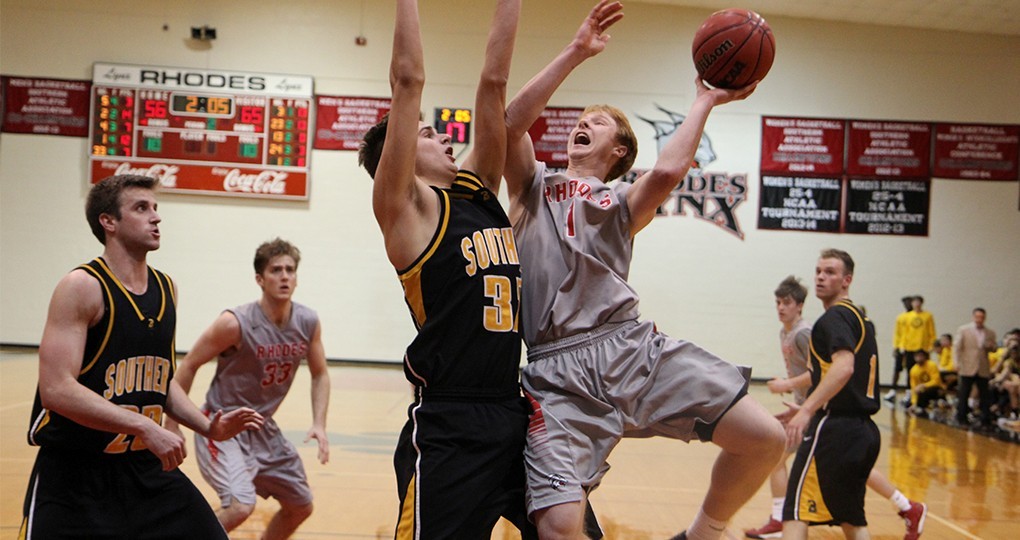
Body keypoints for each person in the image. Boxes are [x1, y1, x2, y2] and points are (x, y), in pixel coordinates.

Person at [501, 3, 786, 538]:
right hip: (556, 373)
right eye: (581, 120)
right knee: (558, 527)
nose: (583, 123)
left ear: (620, 149)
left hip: (629, 349)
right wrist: (576, 52)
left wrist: (705, 100)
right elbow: (510, 121)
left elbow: (671, 169)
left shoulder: (623, 202)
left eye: (598, 121)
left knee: (766, 437)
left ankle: (701, 534)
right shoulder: (532, 186)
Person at [357, 1, 553, 538]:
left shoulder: (479, 192)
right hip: (449, 425)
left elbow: (494, 81)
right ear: (397, 156)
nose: (443, 136)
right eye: (426, 134)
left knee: (571, 531)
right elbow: (408, 79)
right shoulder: (404, 210)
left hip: (512, 410)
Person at [20, 174, 264, 539]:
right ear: (109, 222)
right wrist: (145, 426)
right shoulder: (82, 287)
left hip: (144, 470)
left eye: (155, 207)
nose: (156, 217)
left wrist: (207, 427)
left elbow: (159, 381)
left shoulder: (166, 289)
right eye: (141, 208)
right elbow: (56, 389)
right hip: (76, 475)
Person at [166, 238, 330, 539]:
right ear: (260, 279)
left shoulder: (307, 321)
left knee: (300, 506)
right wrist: (172, 425)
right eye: (276, 270)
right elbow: (188, 365)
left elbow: (320, 374)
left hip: (262, 427)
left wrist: (319, 423)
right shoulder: (234, 323)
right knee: (240, 506)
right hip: (222, 424)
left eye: (290, 270)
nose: (284, 276)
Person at [748, 277, 926, 540]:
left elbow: (824, 372)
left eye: (786, 302)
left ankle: (779, 518)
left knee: (787, 467)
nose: (781, 308)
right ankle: (905, 505)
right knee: (849, 487)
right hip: (816, 410)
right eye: (778, 303)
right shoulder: (786, 332)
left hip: (822, 412)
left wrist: (799, 398)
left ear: (800, 305)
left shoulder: (806, 333)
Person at [779, 249, 881, 540]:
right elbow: (840, 375)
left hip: (834, 429)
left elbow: (844, 367)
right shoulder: (860, 318)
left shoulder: (834, 318)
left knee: (795, 512)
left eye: (830, 272)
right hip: (863, 432)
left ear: (847, 280)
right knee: (852, 519)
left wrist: (807, 409)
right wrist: (811, 402)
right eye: (818, 271)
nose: (821, 277)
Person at [887, 296, 936, 406]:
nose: (916, 304)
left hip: (922, 347)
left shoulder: (928, 316)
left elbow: (932, 332)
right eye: (915, 302)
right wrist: (900, 346)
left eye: (918, 302)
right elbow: (902, 333)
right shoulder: (906, 317)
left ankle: (922, 393)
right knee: (909, 370)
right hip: (909, 347)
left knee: (923, 370)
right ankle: (907, 392)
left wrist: (931, 346)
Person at [953, 308, 997, 428]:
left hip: (982, 366)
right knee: (964, 392)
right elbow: (957, 348)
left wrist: (991, 346)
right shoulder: (963, 330)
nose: (979, 320)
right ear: (973, 317)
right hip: (967, 365)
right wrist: (956, 362)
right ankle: (961, 417)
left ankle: (985, 419)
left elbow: (994, 348)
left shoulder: (990, 332)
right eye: (977, 317)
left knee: (984, 394)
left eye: (982, 317)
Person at [886, 295, 915, 402]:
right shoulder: (901, 317)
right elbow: (897, 333)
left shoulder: (917, 316)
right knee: (897, 369)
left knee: (910, 370)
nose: (907, 304)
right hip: (901, 346)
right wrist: (896, 346)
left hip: (911, 348)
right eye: (905, 303)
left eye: (909, 302)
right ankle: (893, 390)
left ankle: (909, 391)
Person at [907, 350, 944, 417]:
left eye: (921, 356)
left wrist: (923, 385)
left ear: (925, 357)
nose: (919, 358)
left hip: (935, 388)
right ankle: (920, 408)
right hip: (921, 391)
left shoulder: (931, 365)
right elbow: (913, 388)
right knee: (909, 403)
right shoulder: (913, 370)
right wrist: (914, 402)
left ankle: (922, 408)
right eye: (917, 356)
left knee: (924, 392)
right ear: (914, 358)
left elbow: (936, 381)